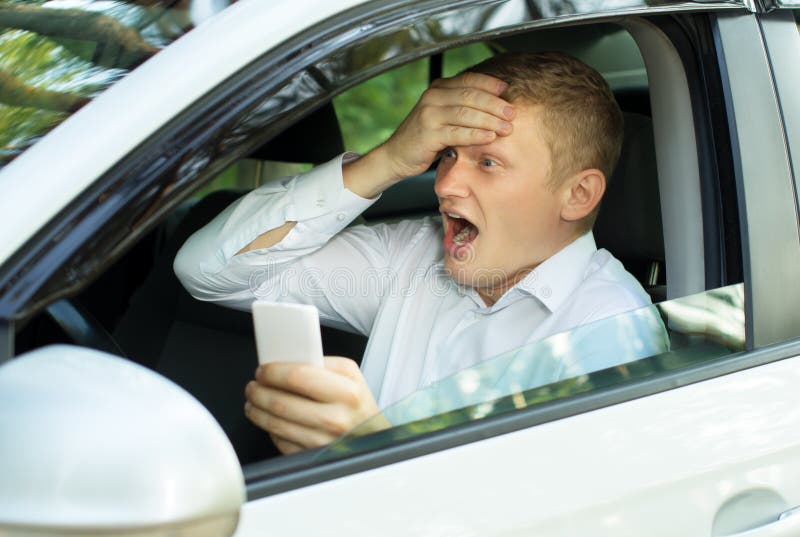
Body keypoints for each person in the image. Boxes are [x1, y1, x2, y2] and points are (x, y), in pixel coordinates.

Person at [174, 51, 667, 454]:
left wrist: (374, 450)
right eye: (447, 153)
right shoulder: (413, 256)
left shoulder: (611, 336)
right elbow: (209, 271)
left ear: (578, 194)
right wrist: (387, 159)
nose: (446, 183)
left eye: (488, 162)